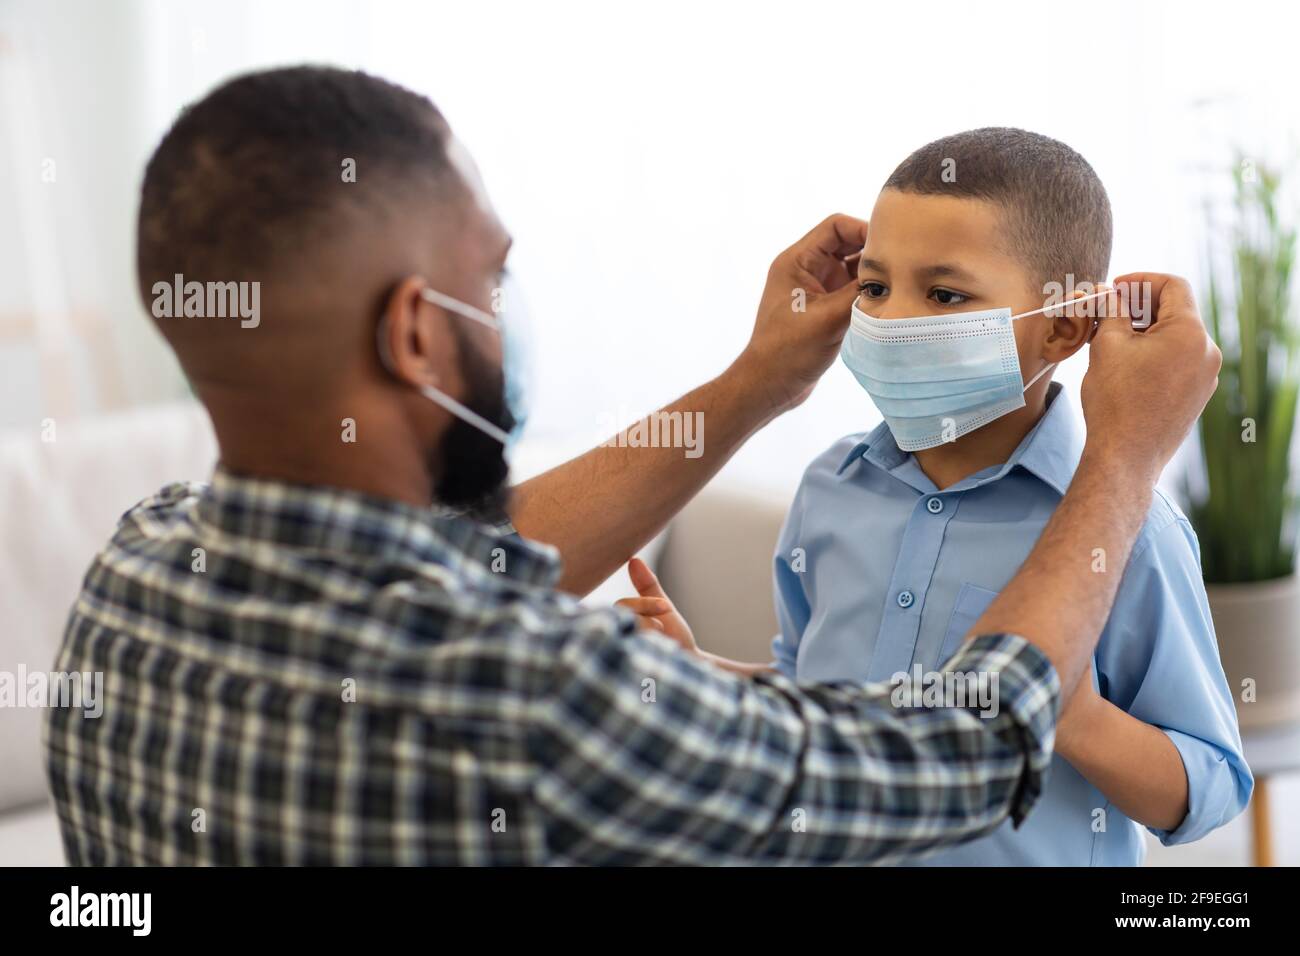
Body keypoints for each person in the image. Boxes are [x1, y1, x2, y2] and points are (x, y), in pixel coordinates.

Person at [44, 67, 1222, 865]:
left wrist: (755, 383)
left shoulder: (139, 562)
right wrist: (1127, 453)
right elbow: (967, 742)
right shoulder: (532, 693)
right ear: (416, 332)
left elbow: (454, 562)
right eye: (495, 276)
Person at [635, 129, 1248, 865]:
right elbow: (818, 693)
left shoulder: (1128, 527)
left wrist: (1070, 712)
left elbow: (1209, 784)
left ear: (1062, 325)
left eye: (945, 294)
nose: (891, 320)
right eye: (874, 286)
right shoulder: (832, 487)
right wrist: (699, 670)